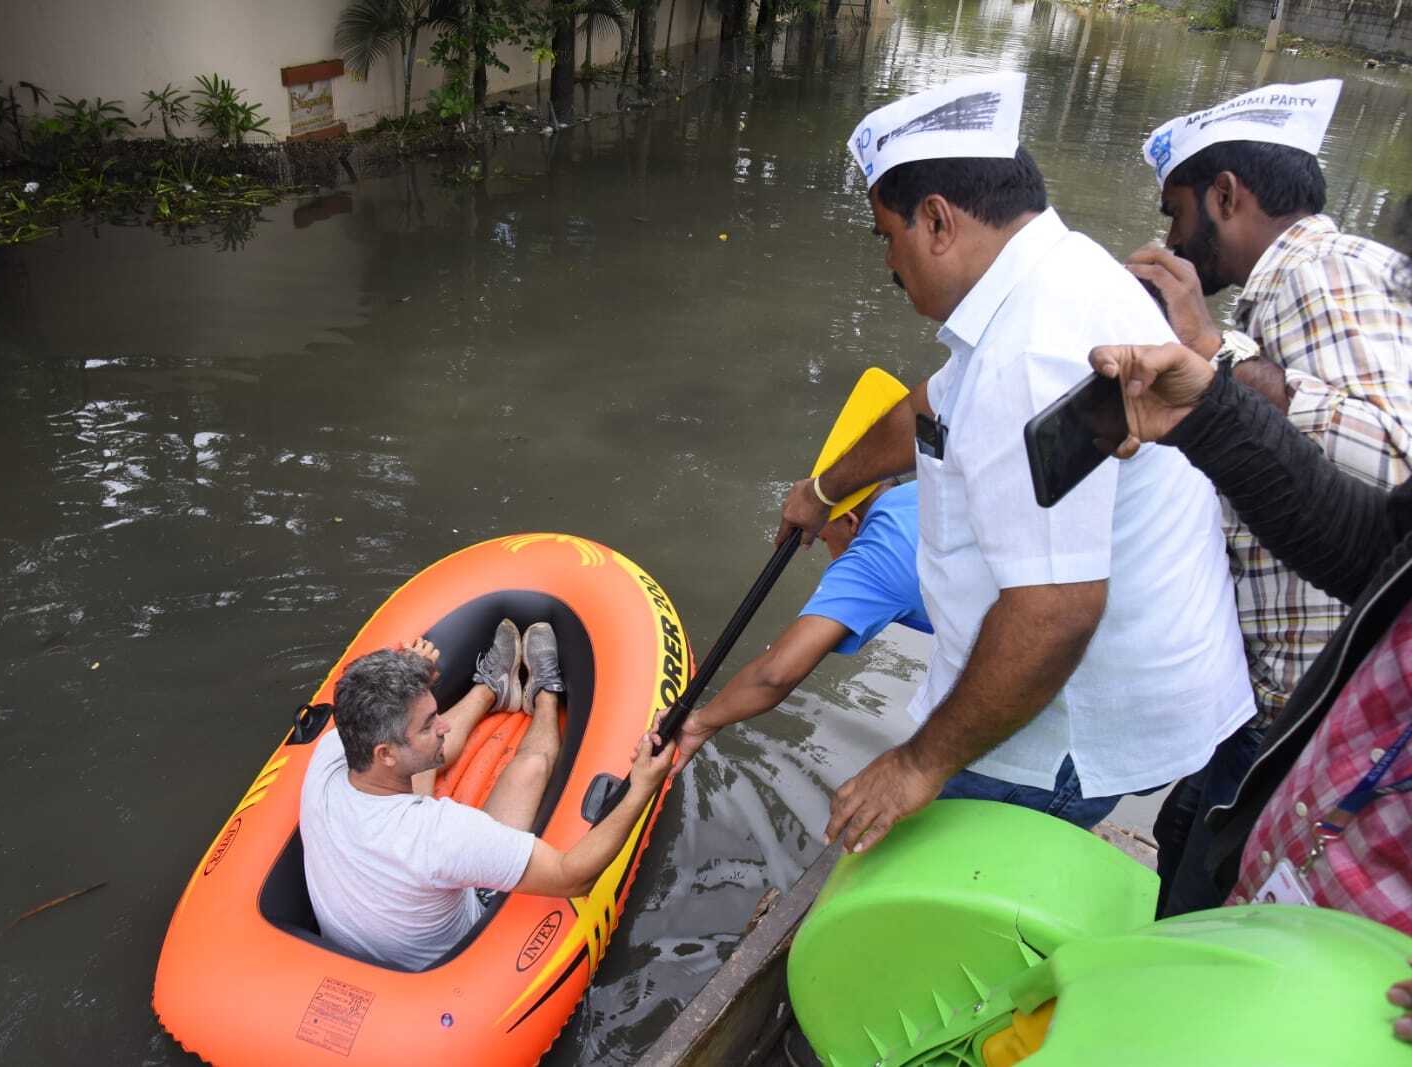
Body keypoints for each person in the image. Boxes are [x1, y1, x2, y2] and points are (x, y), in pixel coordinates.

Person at [742, 71, 1255, 856]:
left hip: (1064, 724)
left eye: (888, 236)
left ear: (936, 220)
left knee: (920, 882)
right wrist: (824, 488)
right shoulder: (1055, 274)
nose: (890, 265)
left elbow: (1056, 610)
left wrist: (916, 764)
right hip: (1124, 681)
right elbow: (930, 404)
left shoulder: (1033, 354)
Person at [1125, 80, 1412, 917]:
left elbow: (1396, 458)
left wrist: (1217, 352)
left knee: (1197, 914)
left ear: (1225, 195)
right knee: (1186, 849)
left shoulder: (1315, 272)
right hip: (1275, 703)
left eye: (1177, 213)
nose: (1171, 240)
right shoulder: (1327, 275)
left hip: (1303, 705)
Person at [299, 621, 668, 970]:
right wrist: (642, 786)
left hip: (380, 929)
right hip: (459, 953)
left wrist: (408, 673)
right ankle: (544, 698)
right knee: (531, 768)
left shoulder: (327, 759)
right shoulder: (440, 835)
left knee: (421, 759)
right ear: (385, 753)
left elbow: (384, 724)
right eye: (428, 725)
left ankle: (491, 689)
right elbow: (572, 876)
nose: (443, 724)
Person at [669, 479, 930, 774]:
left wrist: (699, 723)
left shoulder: (875, 557)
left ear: (850, 521)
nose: (828, 552)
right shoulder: (928, 486)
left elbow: (773, 676)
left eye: (824, 539)